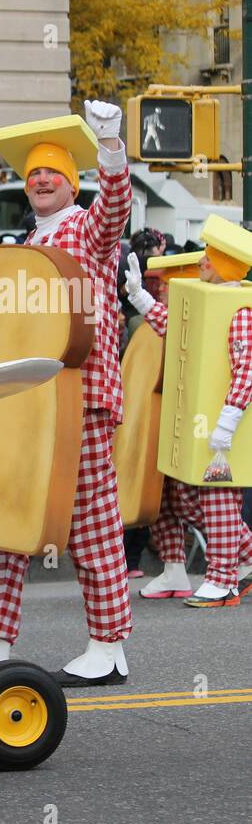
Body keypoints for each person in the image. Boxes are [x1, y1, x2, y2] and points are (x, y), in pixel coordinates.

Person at [0, 101, 137, 687]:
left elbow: (115, 209)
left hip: (81, 396)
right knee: (6, 519)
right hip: (27, 402)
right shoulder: (21, 240)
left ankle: (109, 646)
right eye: (34, 174)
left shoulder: (85, 229)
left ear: (72, 185)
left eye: (55, 175)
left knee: (92, 523)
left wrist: (111, 142)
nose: (41, 180)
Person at [125, 237, 252, 606]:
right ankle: (223, 565)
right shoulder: (208, 303)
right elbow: (177, 329)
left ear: (226, 265)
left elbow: (246, 370)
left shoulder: (239, 310)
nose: (203, 262)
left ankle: (223, 580)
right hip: (200, 420)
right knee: (178, 498)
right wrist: (140, 297)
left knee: (219, 497)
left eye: (211, 257)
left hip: (224, 423)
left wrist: (228, 421)